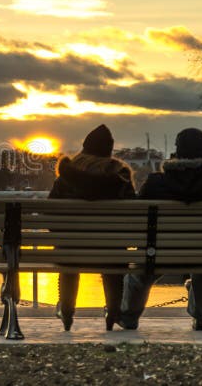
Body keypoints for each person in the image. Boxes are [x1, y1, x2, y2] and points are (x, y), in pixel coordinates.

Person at [119, 127, 202, 331]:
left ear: (176, 151)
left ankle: (128, 315)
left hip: (158, 253)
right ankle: (201, 317)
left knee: (140, 271)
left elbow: (137, 217)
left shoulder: (155, 183)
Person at [48, 124, 136, 331]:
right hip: (112, 253)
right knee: (115, 257)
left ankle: (67, 310)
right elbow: (133, 216)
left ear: (85, 147)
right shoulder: (120, 176)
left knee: (67, 254)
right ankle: (113, 311)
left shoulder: (66, 176)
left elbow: (50, 218)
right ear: (109, 150)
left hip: (70, 252)